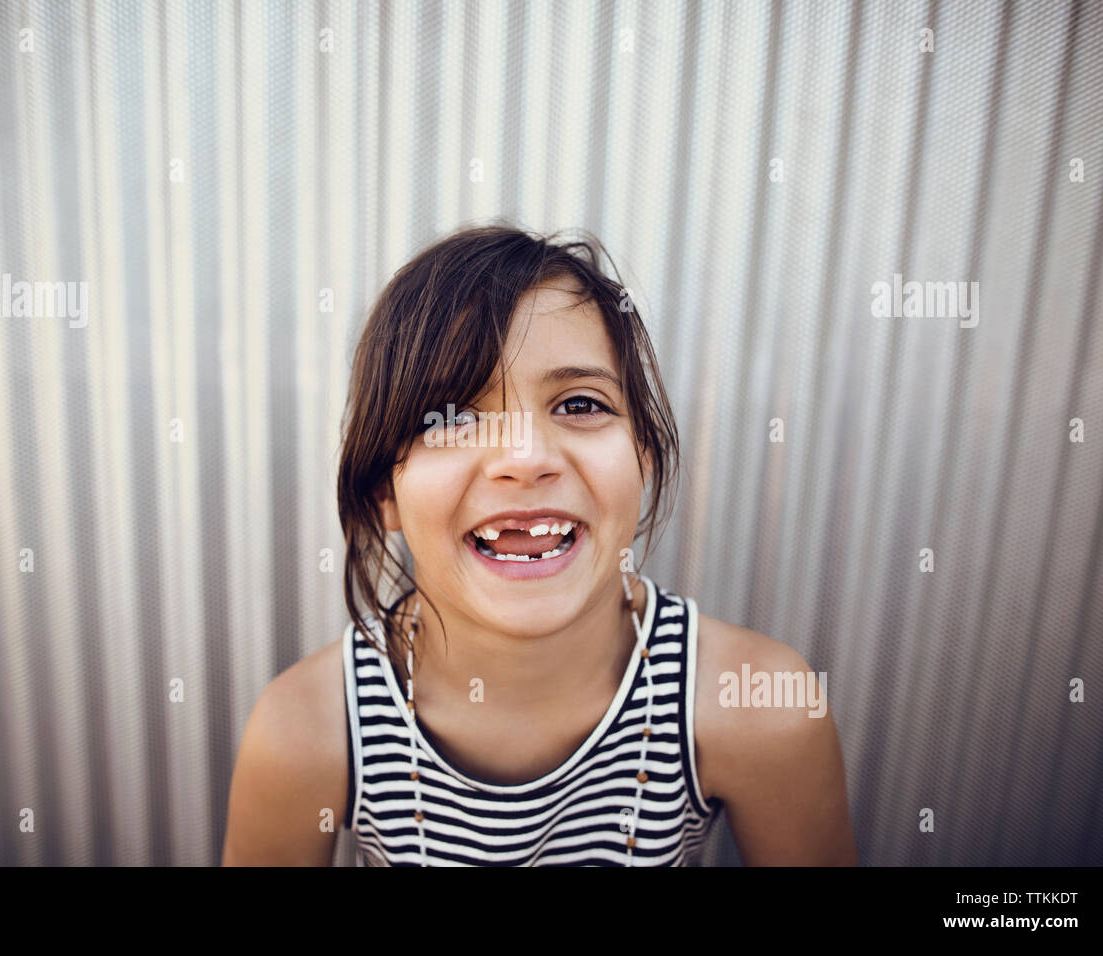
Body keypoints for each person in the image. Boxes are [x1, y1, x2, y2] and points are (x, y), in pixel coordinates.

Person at [222, 224, 858, 866]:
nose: (525, 459)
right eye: (454, 418)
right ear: (384, 492)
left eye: (581, 404)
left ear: (643, 460)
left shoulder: (756, 705)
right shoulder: (306, 729)